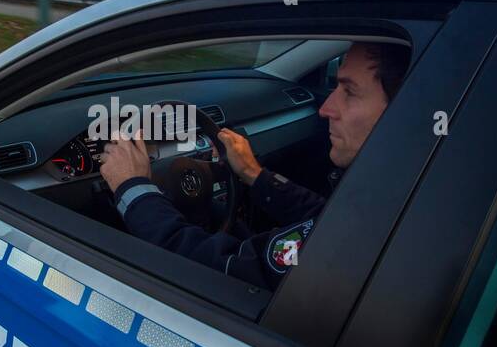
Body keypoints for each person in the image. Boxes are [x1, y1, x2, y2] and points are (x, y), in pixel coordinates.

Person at [99, 40, 408, 290]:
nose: (326, 108)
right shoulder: (396, 199)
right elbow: (321, 215)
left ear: (404, 111)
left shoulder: (357, 236)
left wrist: (135, 189)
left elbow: (218, 271)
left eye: (349, 91)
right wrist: (254, 175)